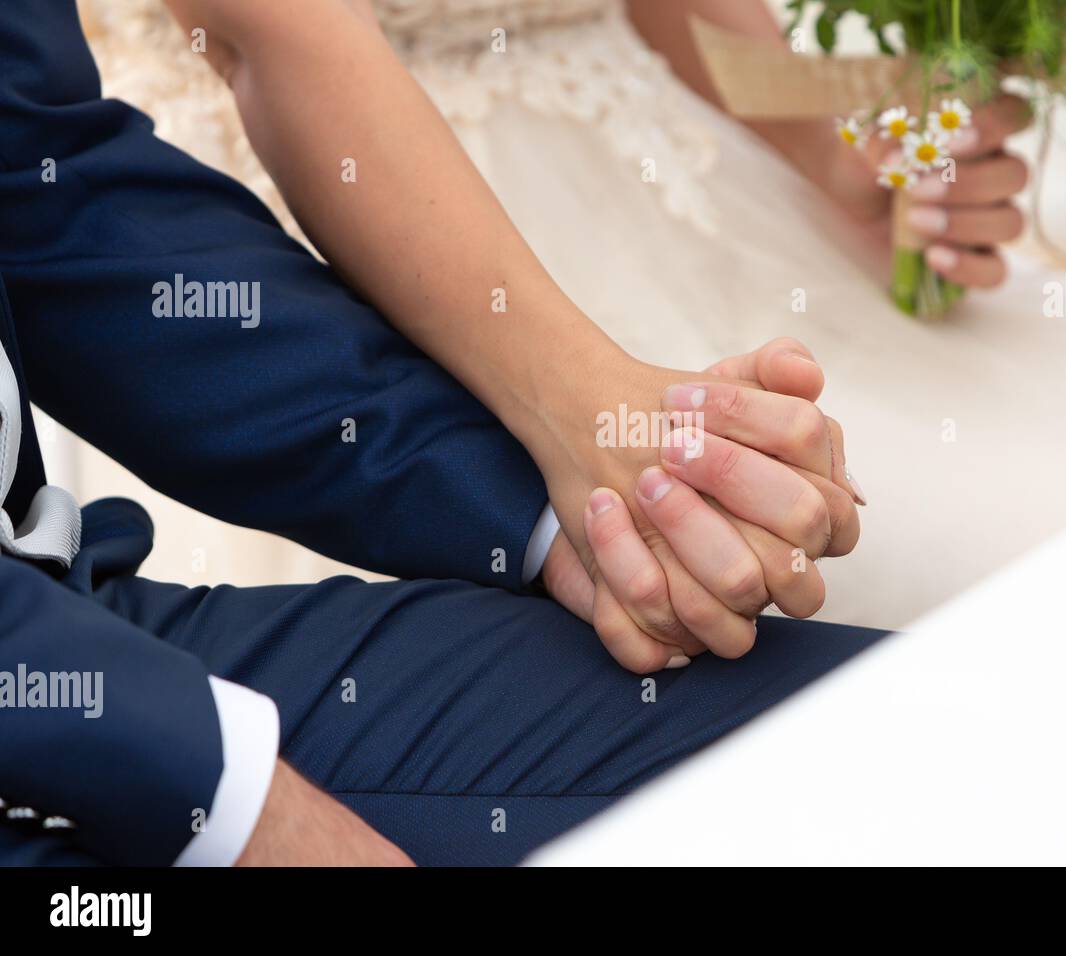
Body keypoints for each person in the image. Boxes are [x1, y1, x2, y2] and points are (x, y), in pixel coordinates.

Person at [76, 0, 1066, 629]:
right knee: (909, 585)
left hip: (658, 159)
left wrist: (834, 153)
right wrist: (583, 401)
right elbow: (272, 38)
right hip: (341, 220)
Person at [0, 0, 880, 866]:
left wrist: (573, 511)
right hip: (61, 688)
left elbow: (48, 192)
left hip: (71, 628)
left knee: (905, 738)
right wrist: (234, 803)